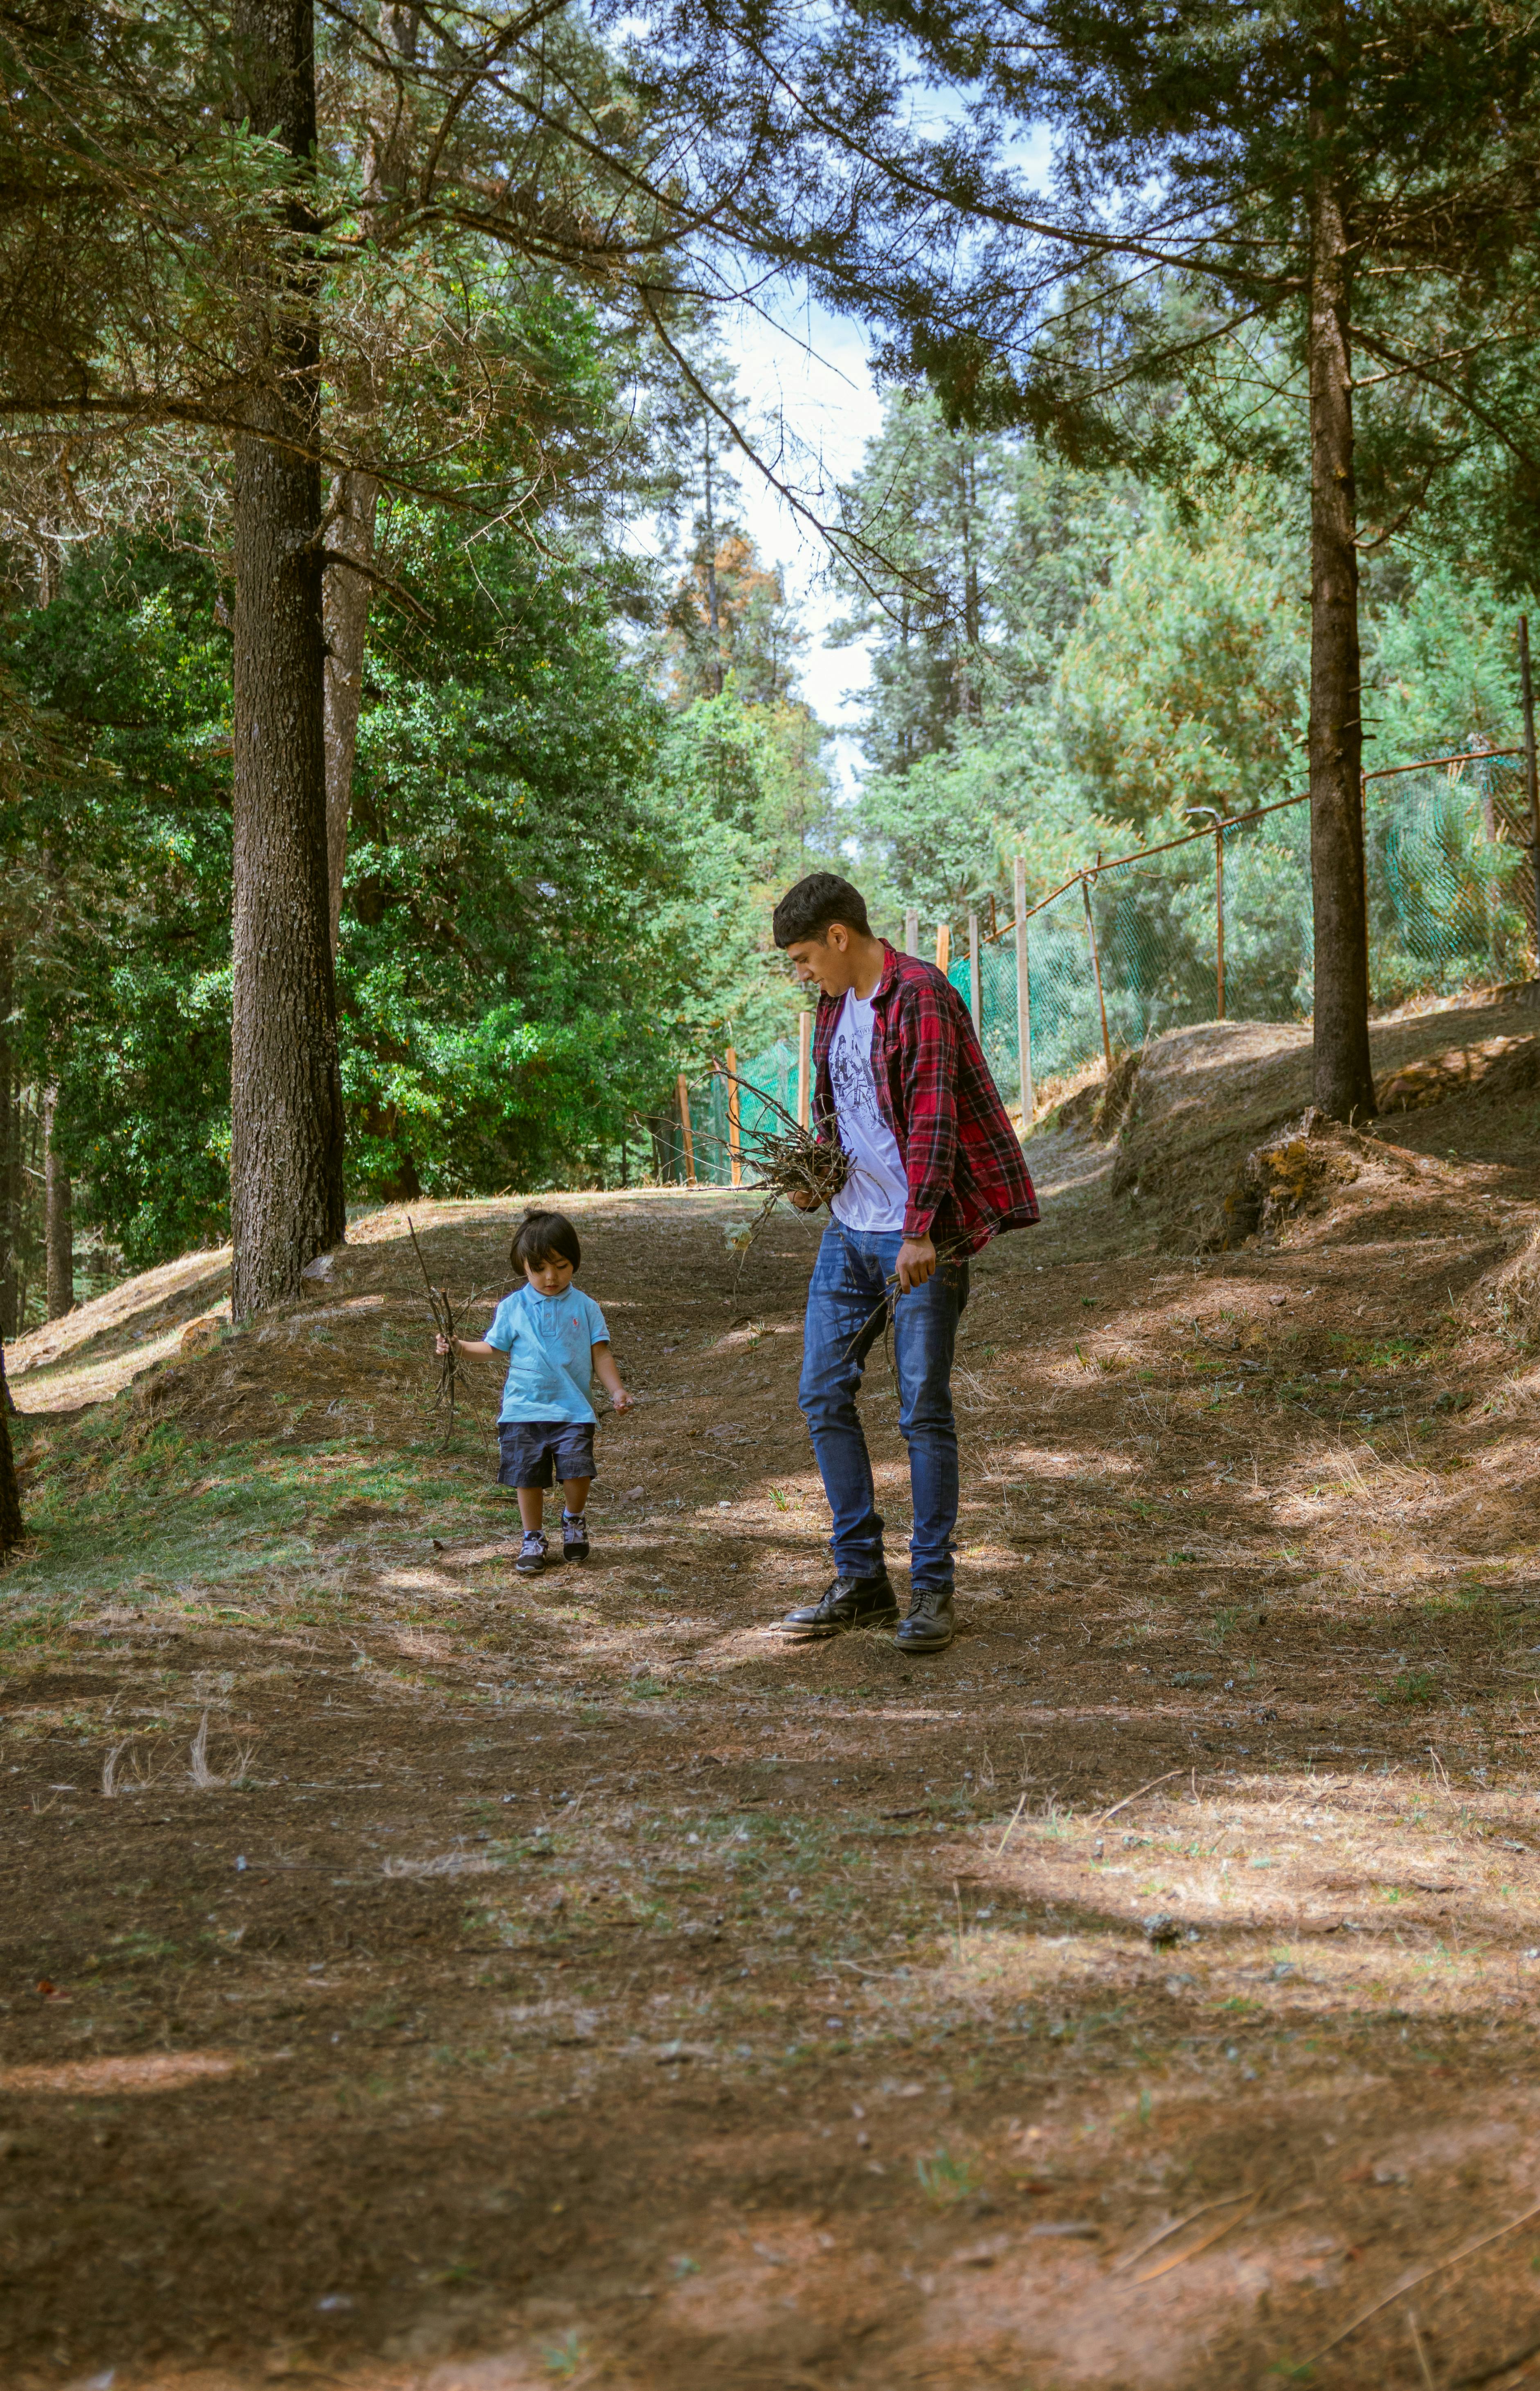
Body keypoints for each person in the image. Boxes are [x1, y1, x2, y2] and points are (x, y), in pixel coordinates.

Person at [772, 872, 1039, 1654]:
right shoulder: (833, 1007)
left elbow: (932, 1117)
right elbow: (838, 1112)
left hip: (919, 1233)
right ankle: (861, 1579)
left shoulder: (918, 993)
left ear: (838, 937)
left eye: (803, 957)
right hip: (850, 1232)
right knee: (822, 1390)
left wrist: (919, 1230)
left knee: (921, 1405)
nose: (802, 973)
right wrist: (814, 1176)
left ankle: (931, 1589)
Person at [436, 1208, 632, 1576]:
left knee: (578, 1472)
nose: (550, 1277)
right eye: (539, 1268)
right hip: (522, 1411)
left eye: (560, 1266)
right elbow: (492, 1348)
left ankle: (573, 1518)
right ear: (522, 1266)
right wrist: (458, 1347)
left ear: (574, 1261)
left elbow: (601, 1354)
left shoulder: (586, 1307)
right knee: (527, 1477)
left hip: (573, 1410)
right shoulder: (513, 1307)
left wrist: (616, 1390)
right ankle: (533, 1537)